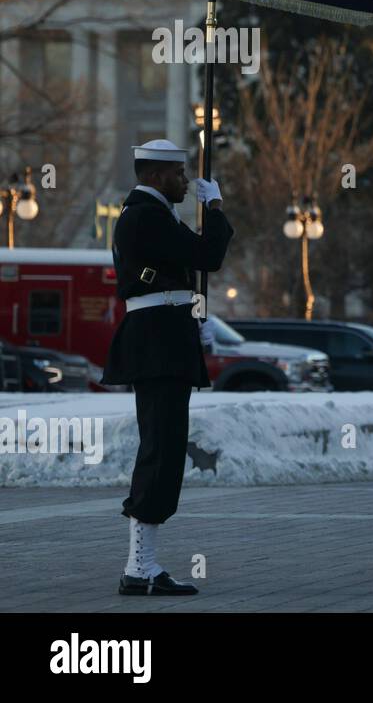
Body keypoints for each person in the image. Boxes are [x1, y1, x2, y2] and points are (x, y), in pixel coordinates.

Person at [108, 139, 234, 596]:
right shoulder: (146, 215)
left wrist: (192, 314)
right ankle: (140, 569)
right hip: (158, 343)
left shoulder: (151, 215)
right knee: (160, 450)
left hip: (165, 336)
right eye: (180, 174)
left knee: (164, 447)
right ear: (158, 175)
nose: (186, 181)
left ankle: (142, 566)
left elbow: (175, 275)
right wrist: (215, 209)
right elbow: (208, 257)